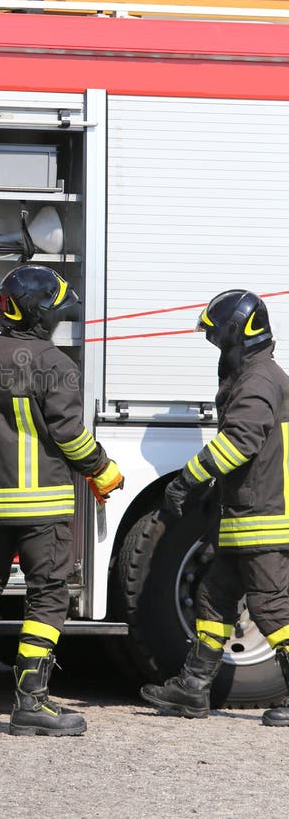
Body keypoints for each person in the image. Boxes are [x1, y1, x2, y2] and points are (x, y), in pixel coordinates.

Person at [0, 264, 124, 736]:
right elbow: (69, 435)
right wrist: (103, 470)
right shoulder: (54, 365)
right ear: (41, 314)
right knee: (48, 596)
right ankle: (31, 702)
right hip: (41, 511)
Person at [141, 290, 289, 726]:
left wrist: (191, 478)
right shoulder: (255, 375)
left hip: (262, 517)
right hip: (245, 514)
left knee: (271, 607)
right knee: (212, 596)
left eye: (216, 336)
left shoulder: (259, 380)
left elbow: (242, 441)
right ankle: (192, 688)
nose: (213, 344)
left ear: (236, 333)